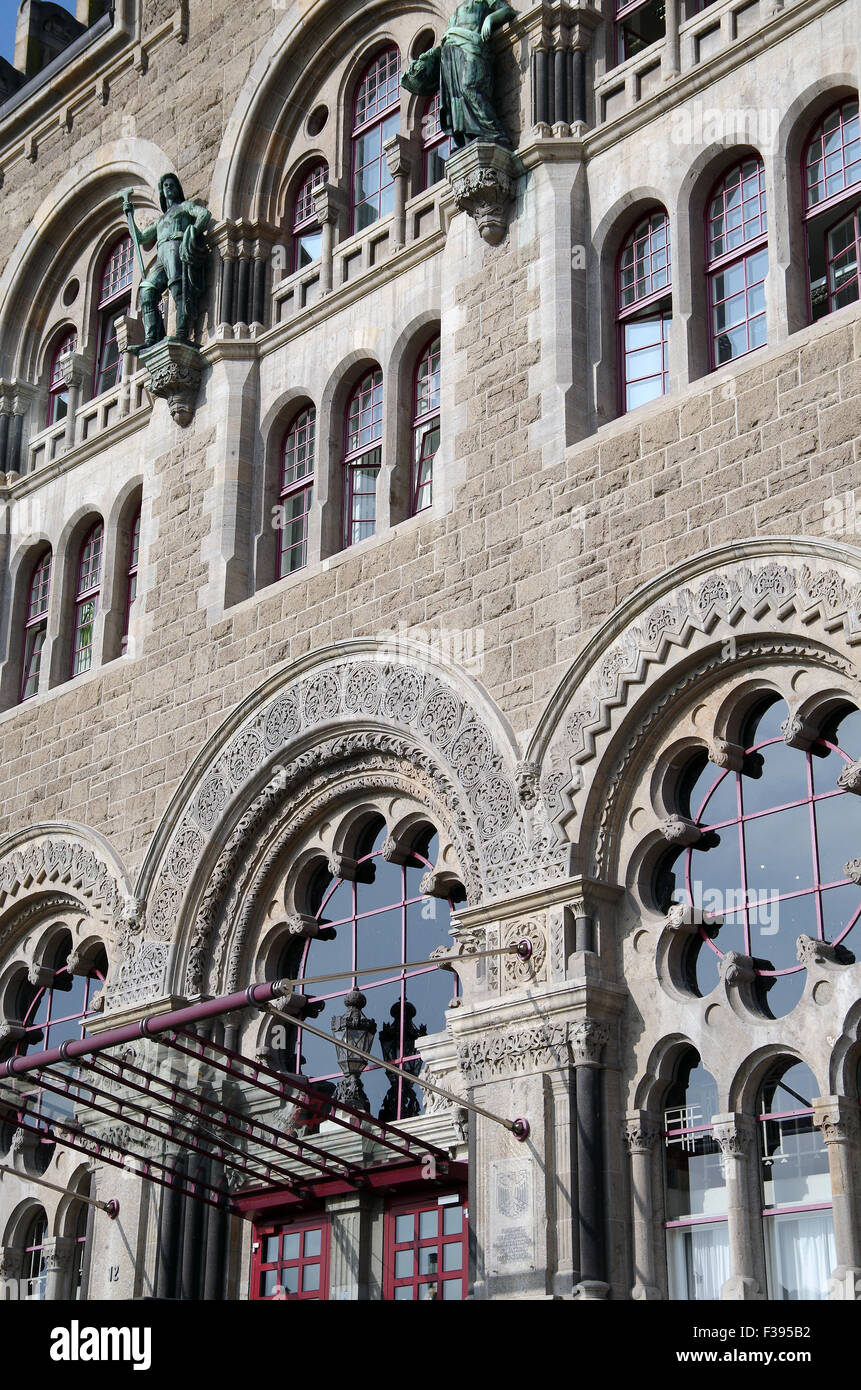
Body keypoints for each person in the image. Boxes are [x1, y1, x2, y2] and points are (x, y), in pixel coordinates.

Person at [122, 174, 211, 347]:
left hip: (175, 247)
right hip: (161, 254)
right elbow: (139, 238)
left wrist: (189, 232)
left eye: (171, 185)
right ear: (162, 192)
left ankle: (181, 333)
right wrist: (129, 214)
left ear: (177, 188)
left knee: (178, 289)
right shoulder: (160, 220)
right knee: (146, 292)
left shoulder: (184, 207)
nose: (168, 187)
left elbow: (204, 215)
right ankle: (152, 338)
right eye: (165, 186)